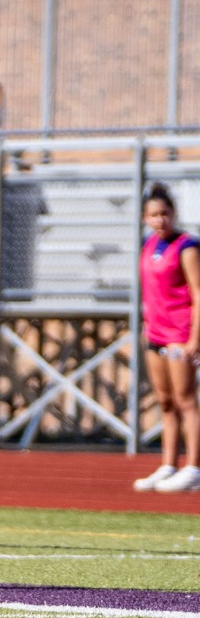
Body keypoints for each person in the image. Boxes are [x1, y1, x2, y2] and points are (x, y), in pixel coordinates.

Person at [134, 183, 200, 492]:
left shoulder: (186, 247)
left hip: (180, 333)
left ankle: (194, 467)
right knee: (165, 401)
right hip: (156, 333)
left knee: (186, 400)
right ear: (145, 218)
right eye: (153, 215)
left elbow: (197, 294)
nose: (160, 220)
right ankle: (168, 463)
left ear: (173, 214)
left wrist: (194, 340)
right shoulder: (148, 246)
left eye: (165, 214)